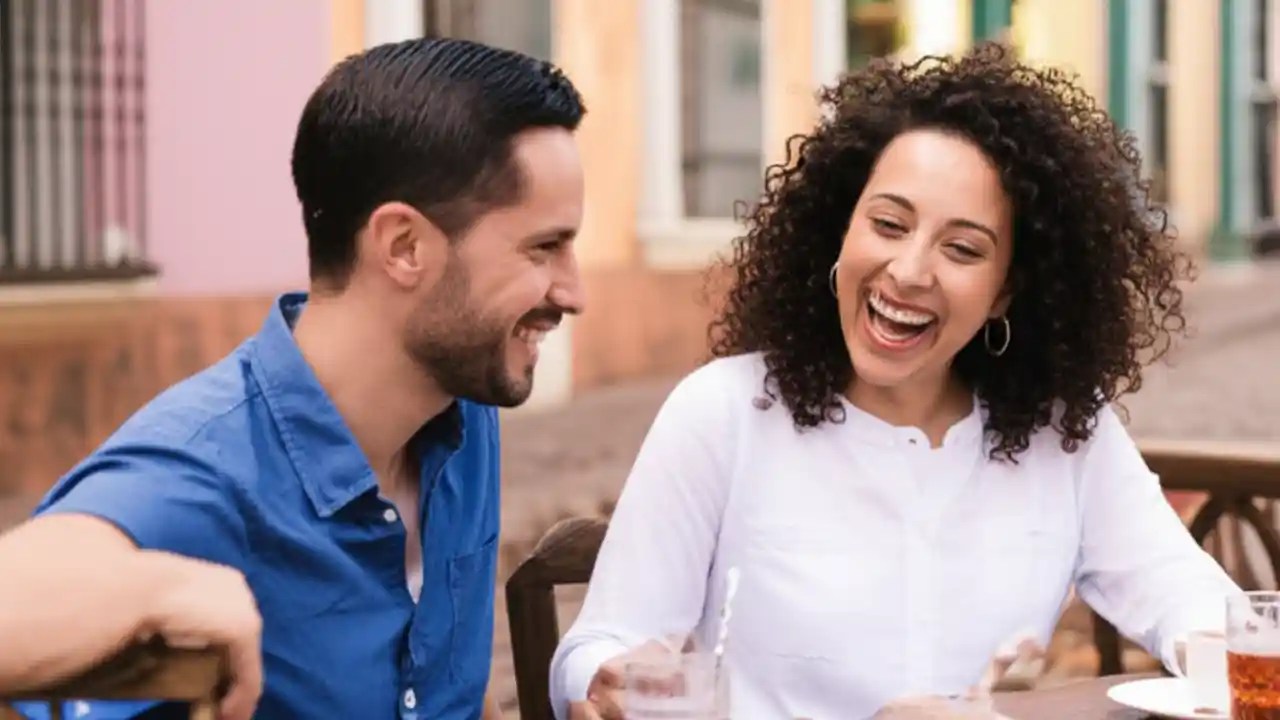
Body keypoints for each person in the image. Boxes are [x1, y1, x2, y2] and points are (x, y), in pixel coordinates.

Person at [550, 43, 1238, 720]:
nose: (909, 272)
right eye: (888, 224)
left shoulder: (1064, 436)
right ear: (840, 231)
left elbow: (1202, 614)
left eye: (963, 249)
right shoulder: (724, 412)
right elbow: (599, 648)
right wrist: (608, 681)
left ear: (1006, 292)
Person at [0, 36, 586, 720]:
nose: (574, 293)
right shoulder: (210, 469)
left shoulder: (462, 412)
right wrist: (160, 588)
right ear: (404, 247)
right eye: (545, 248)